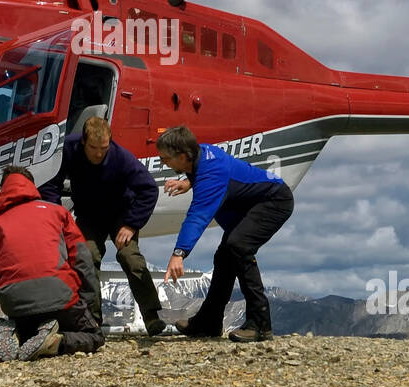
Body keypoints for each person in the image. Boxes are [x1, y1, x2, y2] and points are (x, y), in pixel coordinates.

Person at [158, 125, 293, 342]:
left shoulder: (211, 176)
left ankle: (260, 324)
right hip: (253, 203)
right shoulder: (201, 153)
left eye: (166, 159)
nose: (164, 163)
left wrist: (179, 253)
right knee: (225, 256)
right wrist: (188, 182)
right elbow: (207, 170)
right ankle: (208, 322)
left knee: (238, 247)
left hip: (274, 201)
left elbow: (197, 217)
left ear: (183, 156)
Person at [39, 117, 165, 336]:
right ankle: (91, 320)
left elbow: (149, 190)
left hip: (122, 215)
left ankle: (151, 316)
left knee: (130, 257)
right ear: (83, 142)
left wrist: (132, 224)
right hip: (89, 215)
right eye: (94, 148)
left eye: (104, 148)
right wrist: (56, 216)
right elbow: (51, 183)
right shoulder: (68, 149)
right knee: (86, 257)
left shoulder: (121, 157)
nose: (99, 154)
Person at [0, 166, 104, 361]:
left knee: (32, 330)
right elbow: (83, 262)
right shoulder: (58, 212)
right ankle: (54, 342)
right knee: (95, 337)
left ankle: (19, 333)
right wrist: (90, 309)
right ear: (33, 187)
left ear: (2, 189)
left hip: (15, 304)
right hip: (60, 297)